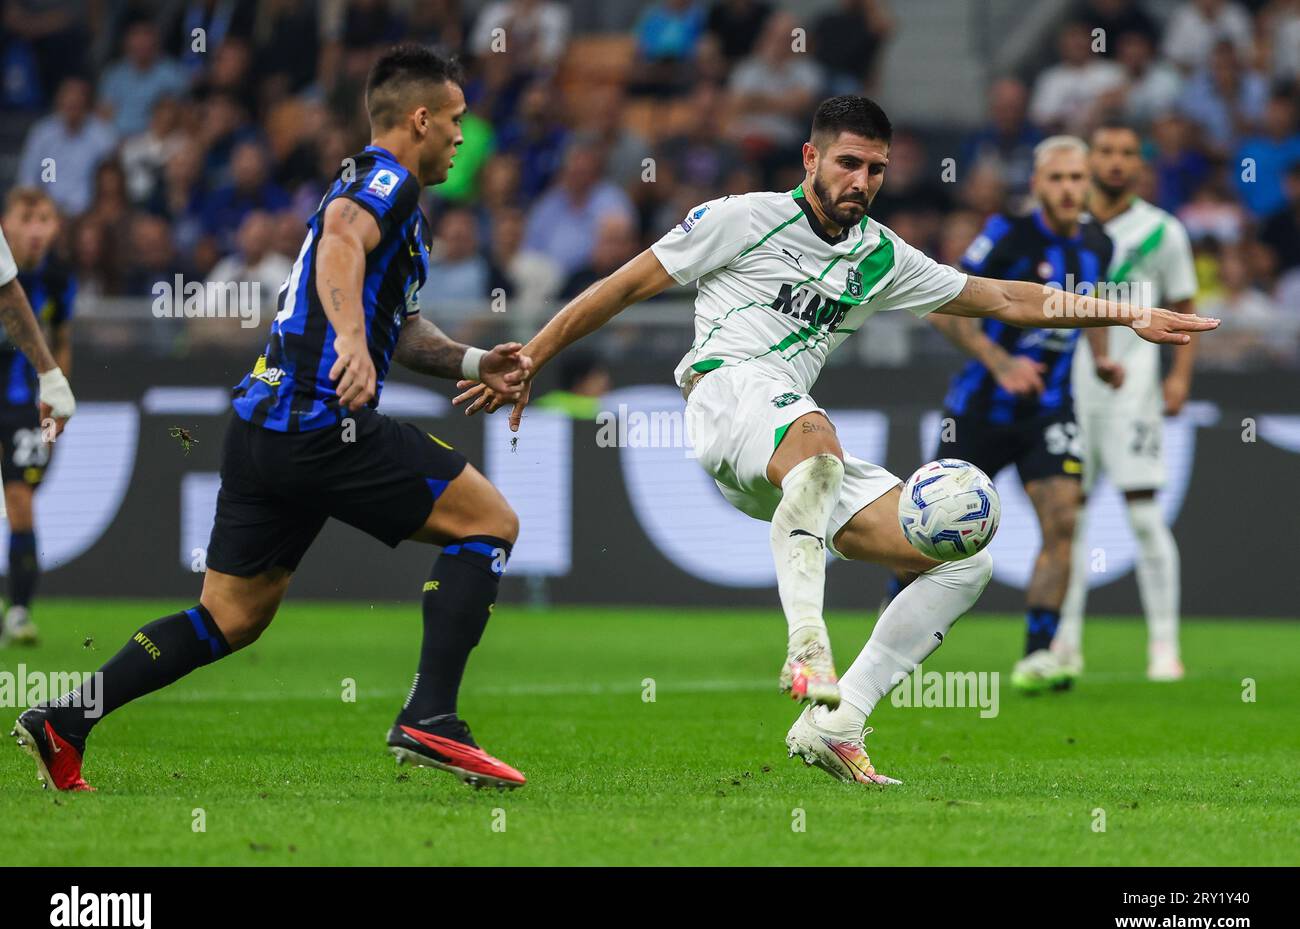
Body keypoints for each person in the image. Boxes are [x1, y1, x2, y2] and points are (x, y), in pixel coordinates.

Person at [454, 97, 1217, 785]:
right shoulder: (739, 217)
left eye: (877, 168)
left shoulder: (879, 255)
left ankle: (837, 721)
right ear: (812, 159)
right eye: (848, 162)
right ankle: (806, 646)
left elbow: (1003, 297)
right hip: (727, 397)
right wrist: (533, 355)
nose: (862, 180)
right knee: (817, 439)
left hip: (788, 453)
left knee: (962, 557)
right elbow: (622, 286)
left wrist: (1120, 314)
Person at [13, 45, 532, 794]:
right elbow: (343, 245)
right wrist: (350, 342)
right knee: (489, 523)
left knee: (230, 615)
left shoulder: (395, 210)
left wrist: (478, 361)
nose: (460, 135)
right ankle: (432, 716)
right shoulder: (383, 181)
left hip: (265, 431)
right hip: (324, 422)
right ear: (419, 118)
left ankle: (68, 718)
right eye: (454, 120)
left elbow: (405, 329)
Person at [926, 136, 1120, 694]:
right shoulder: (1006, 235)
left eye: (1077, 178)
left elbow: (1094, 311)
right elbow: (942, 305)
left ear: (1088, 184)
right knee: (926, 537)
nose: (1068, 189)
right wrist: (999, 359)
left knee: (1063, 521)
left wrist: (1103, 362)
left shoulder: (1099, 244)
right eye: (1057, 178)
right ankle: (890, 637)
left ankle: (1039, 653)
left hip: (1050, 411)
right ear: (1037, 185)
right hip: (980, 409)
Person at [1057, 121, 1200, 682]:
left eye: (1126, 154)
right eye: (1106, 151)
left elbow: (1185, 304)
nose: (1115, 162)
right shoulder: (1067, 225)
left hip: (1133, 390)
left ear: (1140, 165)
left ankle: (1164, 646)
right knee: (1067, 516)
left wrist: (1180, 377)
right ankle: (1064, 641)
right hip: (1070, 389)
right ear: (1091, 159)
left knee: (1143, 515)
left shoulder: (1163, 232)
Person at [0, 188, 74, 646]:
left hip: (26, 405)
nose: (35, 229)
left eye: (45, 218)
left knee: (21, 500)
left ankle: (20, 611)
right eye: (26, 218)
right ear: (6, 223)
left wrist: (59, 390)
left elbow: (62, 336)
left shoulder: (59, 277)